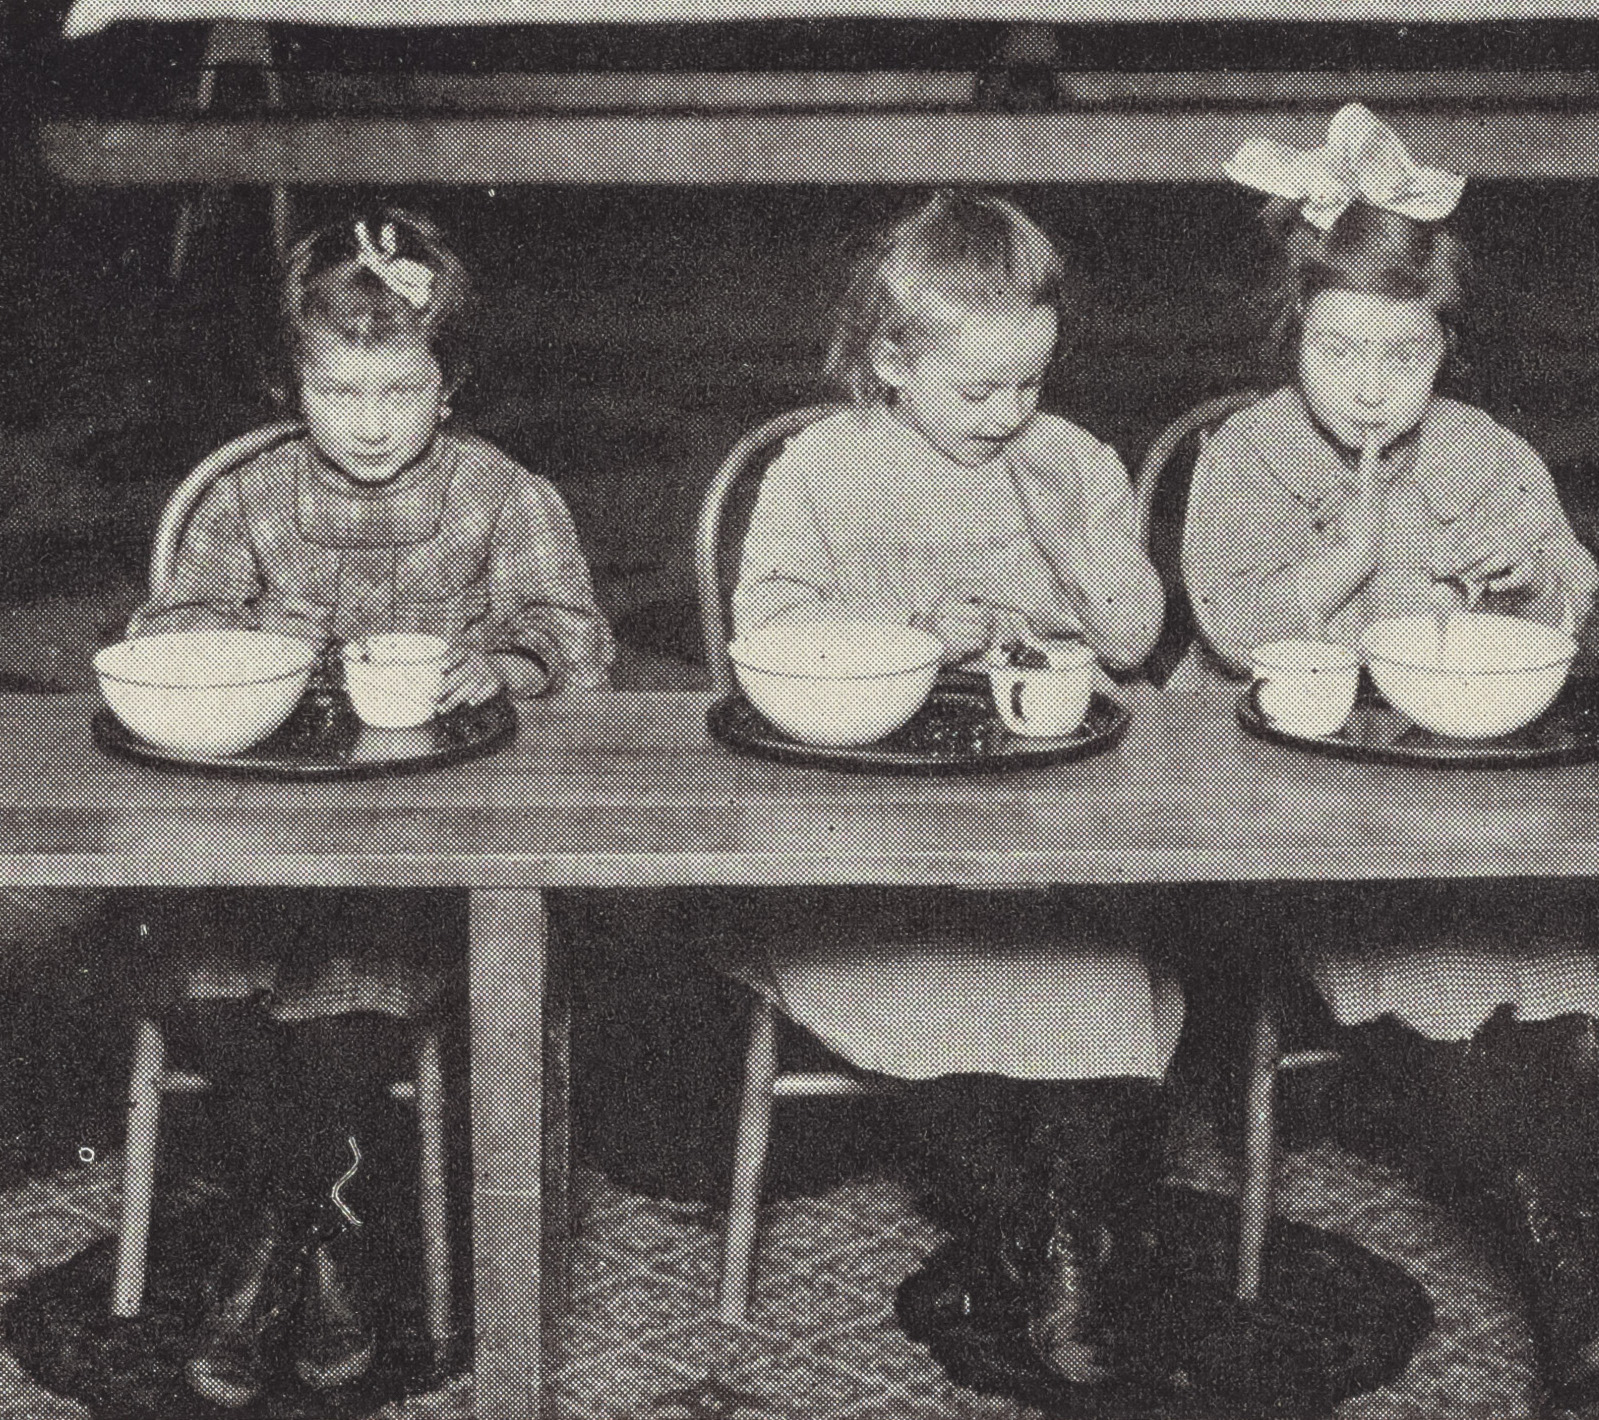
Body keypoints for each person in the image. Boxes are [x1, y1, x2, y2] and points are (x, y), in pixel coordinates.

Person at [1179, 105, 1599, 1420]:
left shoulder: (1488, 455)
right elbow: (1227, 625)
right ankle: (1574, 1285)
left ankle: (1561, 1202)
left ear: (1445, 345)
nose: (1372, 383)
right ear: (1291, 336)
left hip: (1461, 789)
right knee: (1440, 972)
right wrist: (1349, 546)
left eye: (1404, 351)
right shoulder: (1246, 454)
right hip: (1300, 799)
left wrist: (1520, 585)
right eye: (1338, 349)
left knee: (1537, 968)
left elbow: (1564, 602)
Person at [127, 207, 612, 1407]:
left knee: (362, 975)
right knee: (211, 967)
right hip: (260, 827)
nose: (373, 420)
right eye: (341, 391)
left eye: (401, 389)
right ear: (293, 384)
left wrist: (503, 661)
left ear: (449, 387)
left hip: (424, 842)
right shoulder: (246, 498)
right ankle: (318, 1225)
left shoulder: (502, 493)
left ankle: (274, 1233)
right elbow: (163, 634)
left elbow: (579, 640)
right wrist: (243, 637)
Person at [732, 189, 1180, 1385]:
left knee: (1094, 1002)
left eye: (1030, 382)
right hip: (872, 824)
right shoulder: (821, 469)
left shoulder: (1067, 458)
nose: (1007, 414)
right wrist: (915, 625)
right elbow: (762, 626)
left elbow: (1136, 640)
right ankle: (1055, 1253)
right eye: (975, 391)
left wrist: (1071, 531)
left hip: (1045, 824)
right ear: (888, 360)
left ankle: (1047, 1247)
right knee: (918, 993)